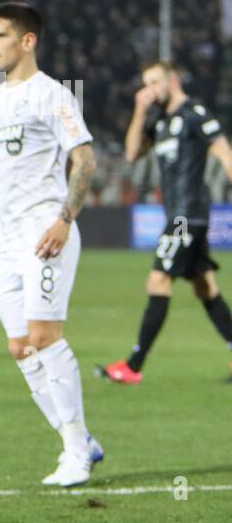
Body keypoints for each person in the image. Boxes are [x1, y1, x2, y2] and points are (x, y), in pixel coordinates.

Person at [0, 2, 104, 487]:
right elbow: (7, 163)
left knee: (44, 336)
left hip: (44, 233)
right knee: (20, 347)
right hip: (6, 240)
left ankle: (75, 452)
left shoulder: (52, 95)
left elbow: (85, 161)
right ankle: (79, 440)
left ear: (27, 40)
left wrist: (64, 219)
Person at [98, 61, 232, 383]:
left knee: (158, 280)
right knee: (204, 287)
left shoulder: (195, 114)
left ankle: (133, 365)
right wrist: (140, 111)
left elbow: (224, 152)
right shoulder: (159, 122)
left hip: (188, 216)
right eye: (146, 84)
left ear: (172, 80)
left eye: (155, 82)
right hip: (179, 214)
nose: (150, 89)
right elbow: (131, 154)